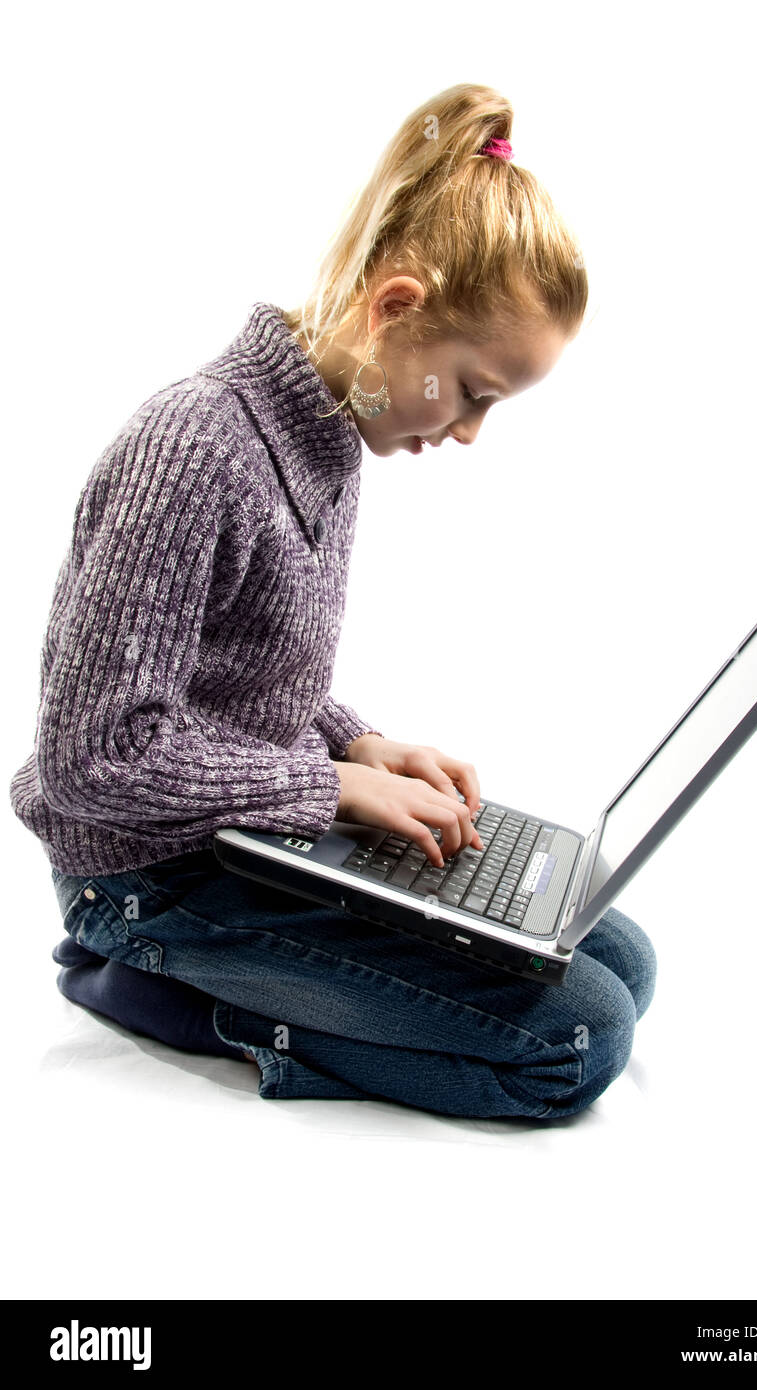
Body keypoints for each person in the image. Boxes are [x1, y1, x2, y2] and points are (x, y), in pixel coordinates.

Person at [10, 83, 655, 1120]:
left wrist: (352, 743)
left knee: (609, 948)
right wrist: (329, 794)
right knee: (576, 1041)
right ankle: (172, 996)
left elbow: (236, 672)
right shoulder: (193, 446)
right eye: (473, 388)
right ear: (396, 308)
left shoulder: (327, 437)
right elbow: (97, 761)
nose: (471, 431)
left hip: (244, 831)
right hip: (146, 878)